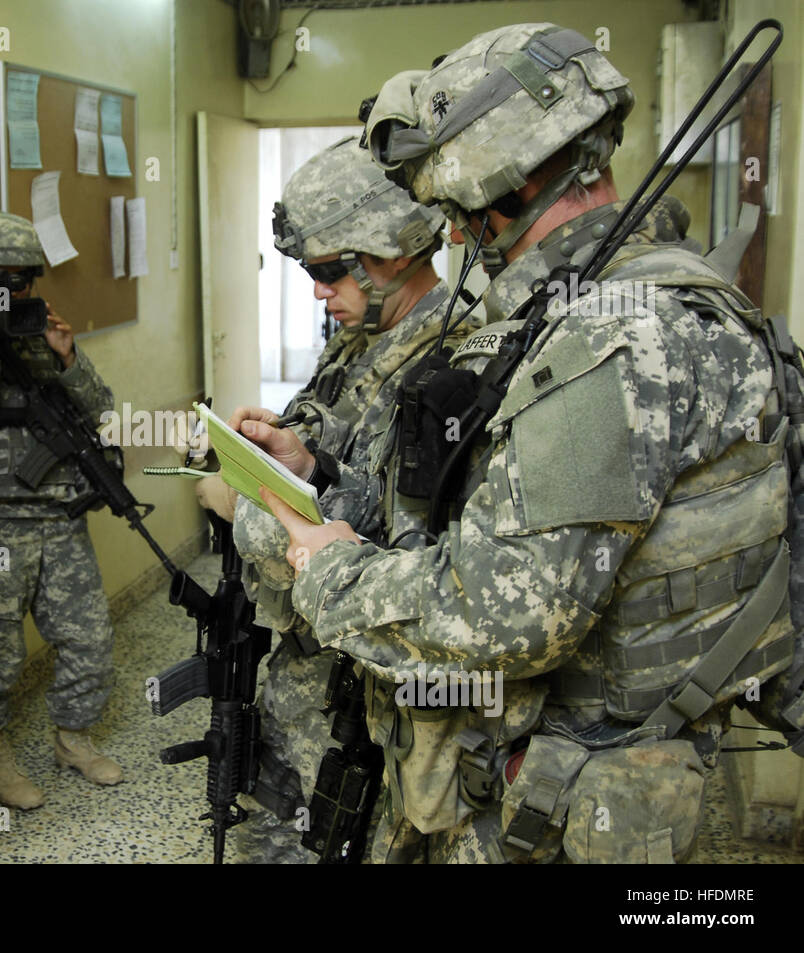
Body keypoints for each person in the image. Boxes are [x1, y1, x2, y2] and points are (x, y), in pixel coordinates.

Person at [236, 22, 804, 863]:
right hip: (539, 760)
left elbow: (503, 613)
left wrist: (327, 570)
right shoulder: (612, 301)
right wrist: (333, 483)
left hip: (565, 788)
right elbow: (481, 502)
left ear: (505, 187)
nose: (457, 239)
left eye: (460, 213)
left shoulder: (614, 342)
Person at [224, 137, 476, 863]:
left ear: (392, 250)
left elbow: (421, 541)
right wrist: (296, 451)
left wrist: (282, 512)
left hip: (367, 694)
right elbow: (337, 446)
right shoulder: (361, 338)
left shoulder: (451, 358)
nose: (316, 291)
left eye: (329, 271)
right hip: (306, 665)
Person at [0, 213, 121, 809]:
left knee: (88, 635)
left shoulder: (46, 342)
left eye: (25, 282)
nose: (15, 296)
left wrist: (68, 358)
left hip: (60, 516)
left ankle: (73, 738)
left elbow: (102, 412)